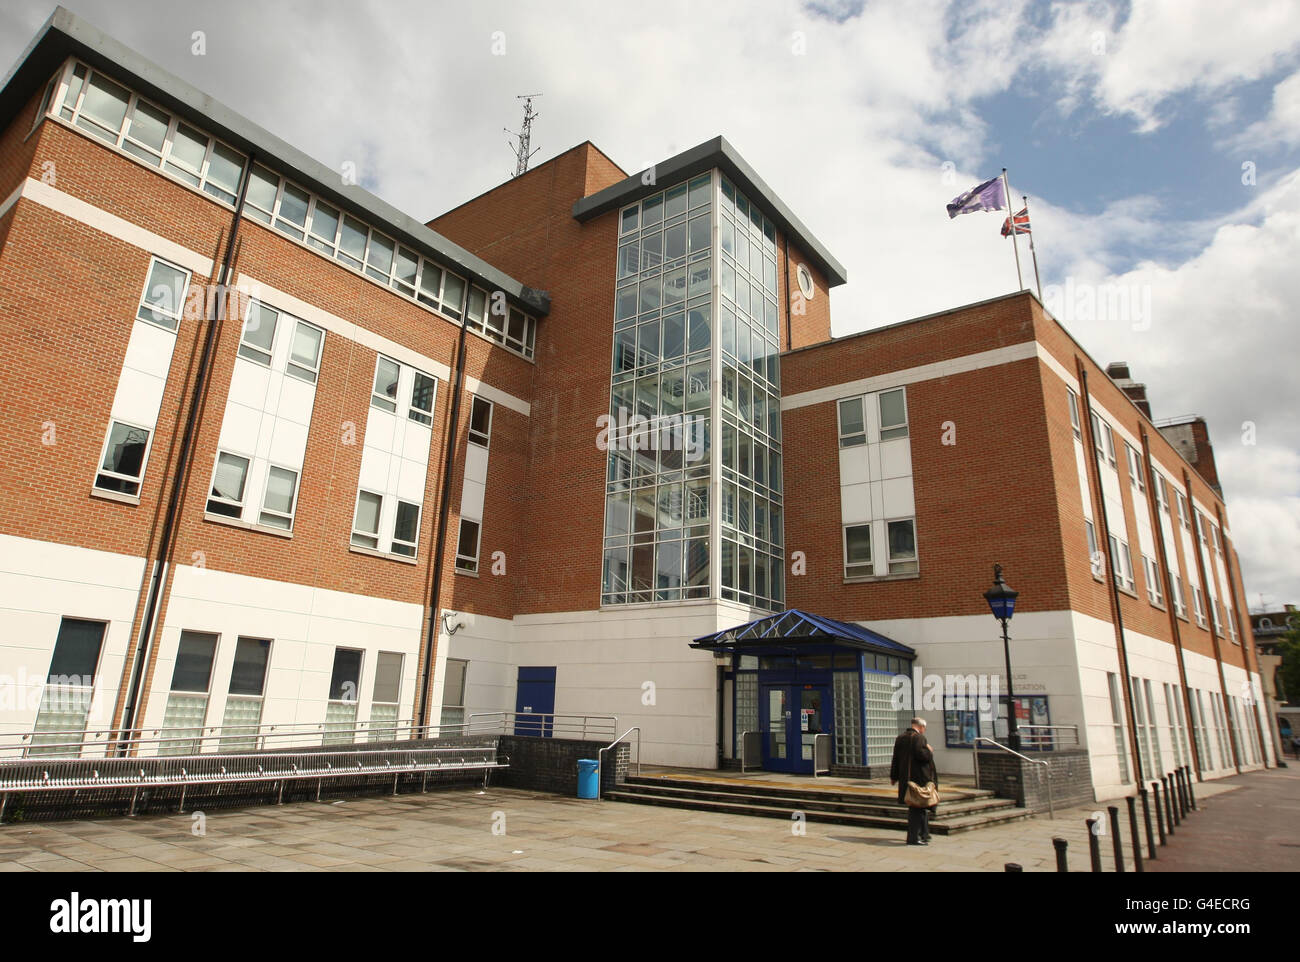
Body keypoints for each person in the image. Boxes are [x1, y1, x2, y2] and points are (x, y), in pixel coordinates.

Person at [890, 716, 938, 845]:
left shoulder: (900, 738)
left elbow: (896, 758)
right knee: (917, 808)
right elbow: (922, 756)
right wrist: (929, 750)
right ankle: (914, 837)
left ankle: (924, 834)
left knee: (919, 807)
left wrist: (893, 776)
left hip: (906, 778)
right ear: (921, 727)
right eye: (924, 728)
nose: (924, 731)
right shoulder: (919, 738)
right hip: (918, 779)